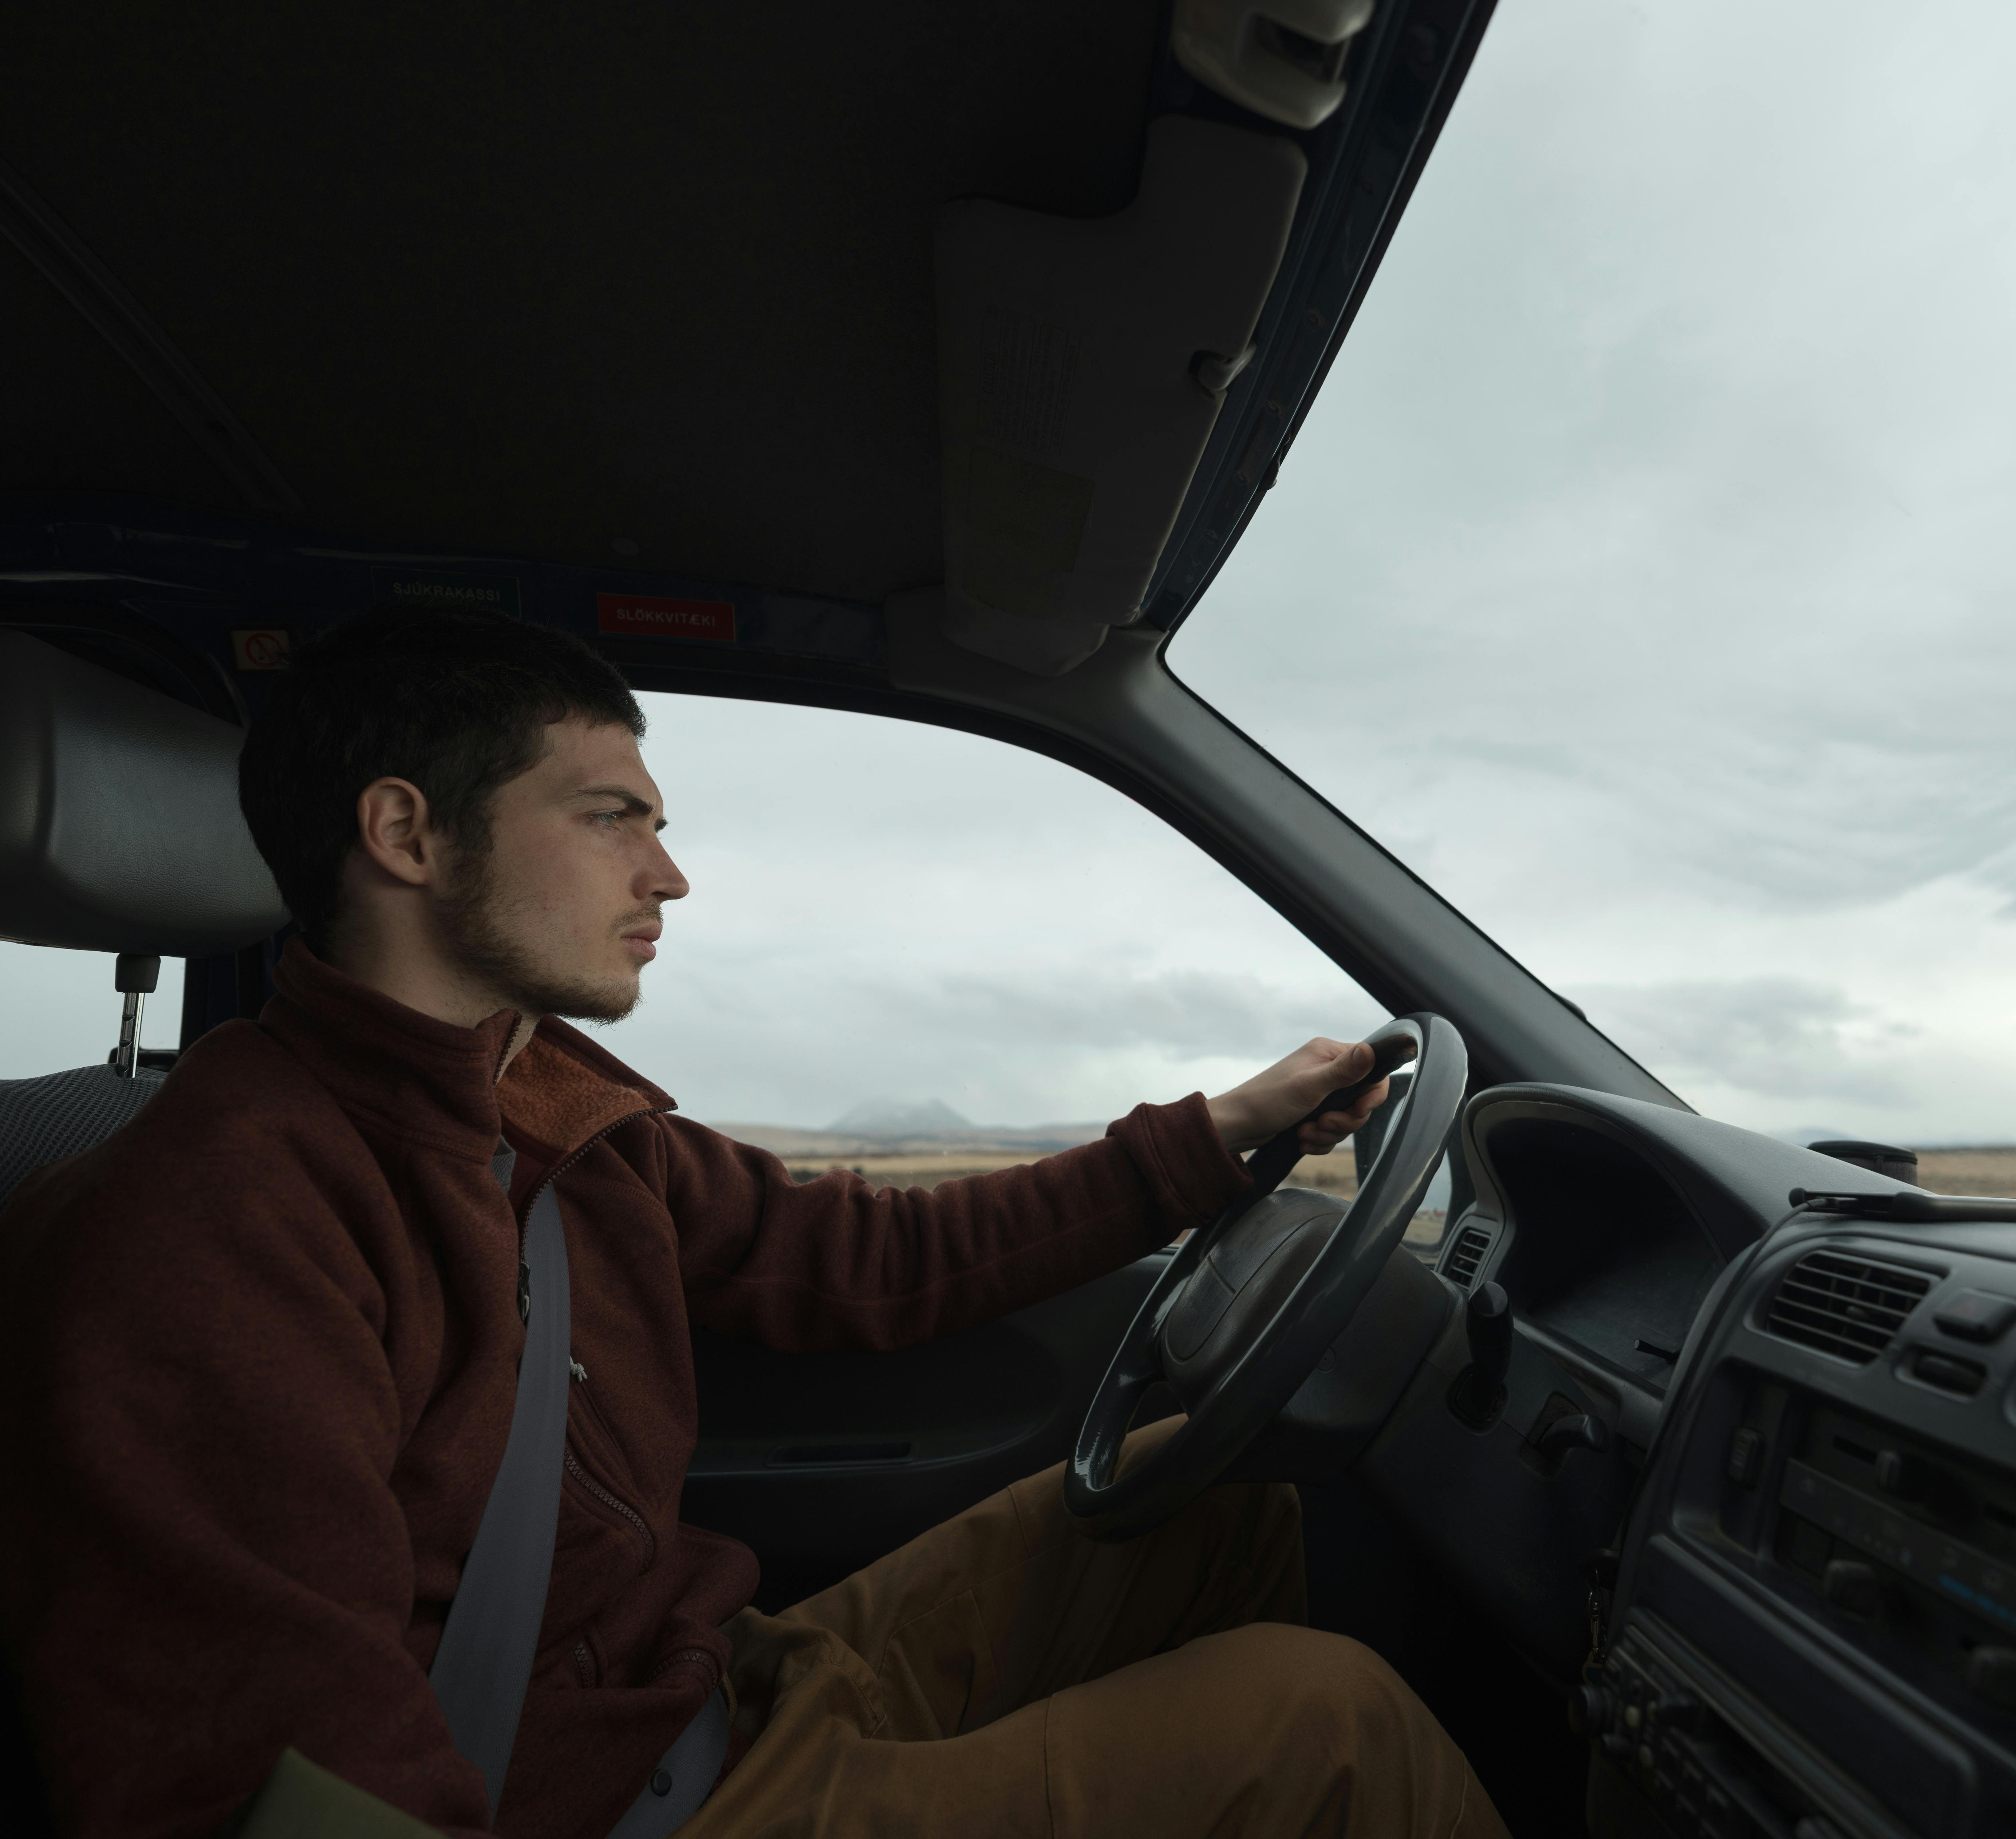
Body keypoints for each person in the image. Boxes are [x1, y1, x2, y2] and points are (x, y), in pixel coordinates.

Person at [0, 606, 1505, 1839]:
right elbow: (275, 1776)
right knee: (1330, 1727)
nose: (668, 874)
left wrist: (1209, 1142)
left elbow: (862, 1262)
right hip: (612, 1805)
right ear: (406, 832)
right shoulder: (210, 1225)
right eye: (611, 820)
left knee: (1218, 1496)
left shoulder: (550, 1110)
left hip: (711, 1691)